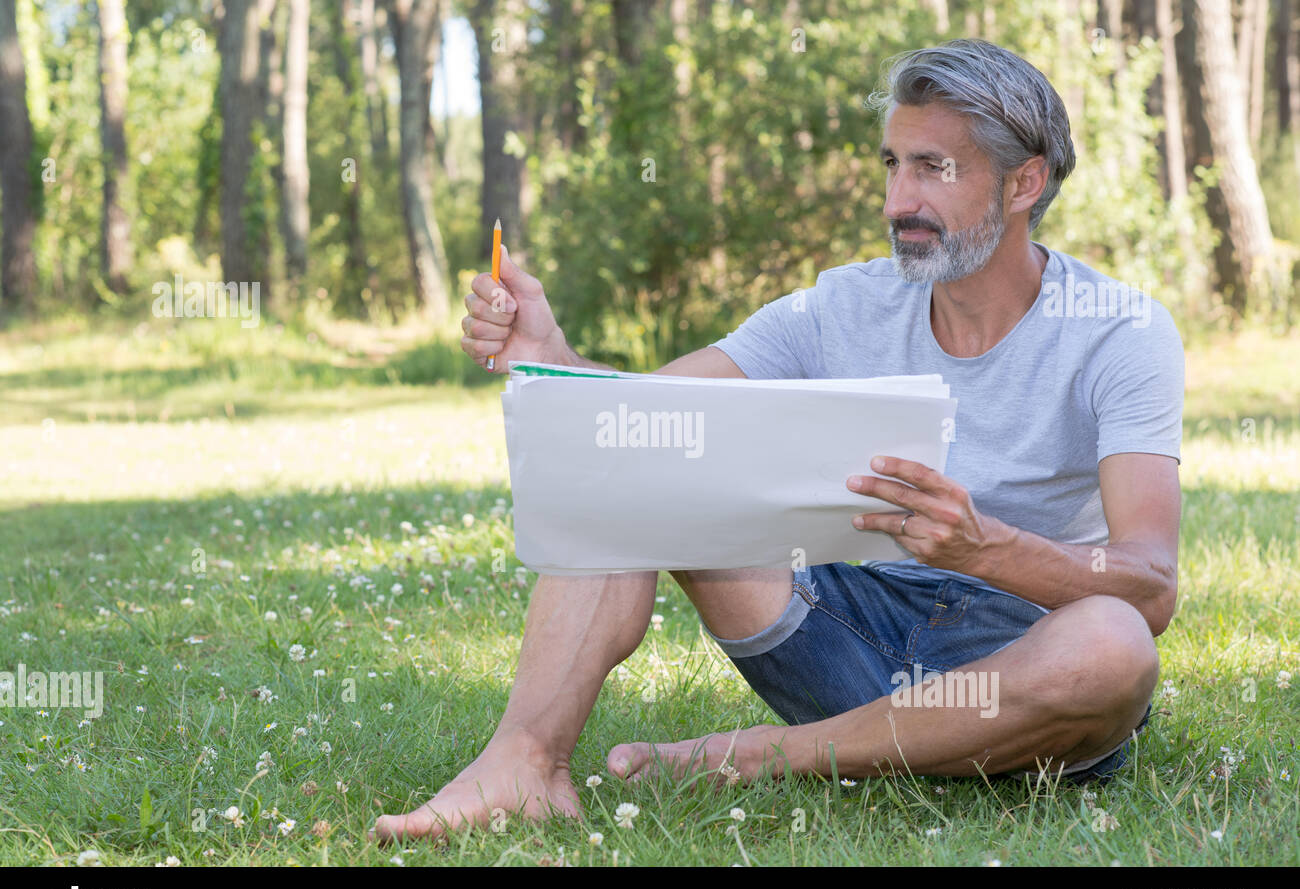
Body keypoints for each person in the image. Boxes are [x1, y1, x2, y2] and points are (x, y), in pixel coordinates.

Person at [372, 38, 1183, 843]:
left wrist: (985, 549)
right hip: (852, 636)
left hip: (1028, 660)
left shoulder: (1120, 332)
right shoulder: (839, 305)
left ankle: (771, 756)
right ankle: (524, 764)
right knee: (637, 465)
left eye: (933, 169)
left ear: (1025, 182)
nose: (900, 200)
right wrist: (553, 359)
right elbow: (648, 417)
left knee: (1113, 645)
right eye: (891, 165)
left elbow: (1149, 585)